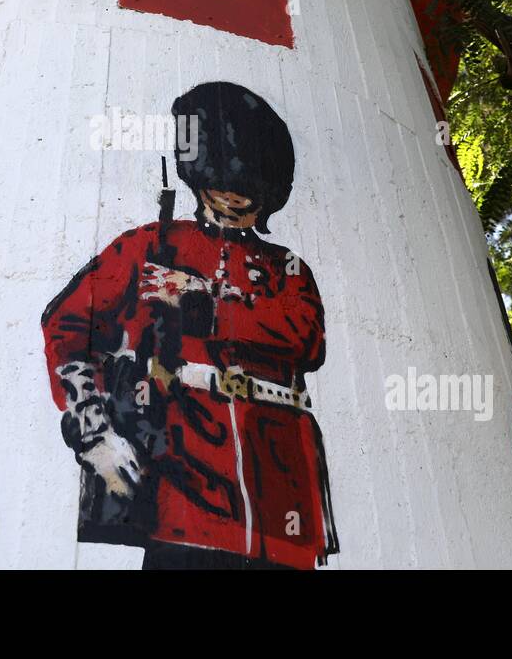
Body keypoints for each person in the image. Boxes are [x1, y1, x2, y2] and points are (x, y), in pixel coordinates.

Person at [43, 82, 338, 569]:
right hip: (185, 473)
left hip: (283, 483)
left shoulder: (289, 269)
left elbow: (307, 337)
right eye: (220, 181)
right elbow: (67, 327)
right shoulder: (146, 247)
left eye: (249, 188)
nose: (233, 195)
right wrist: (96, 435)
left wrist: (204, 302)